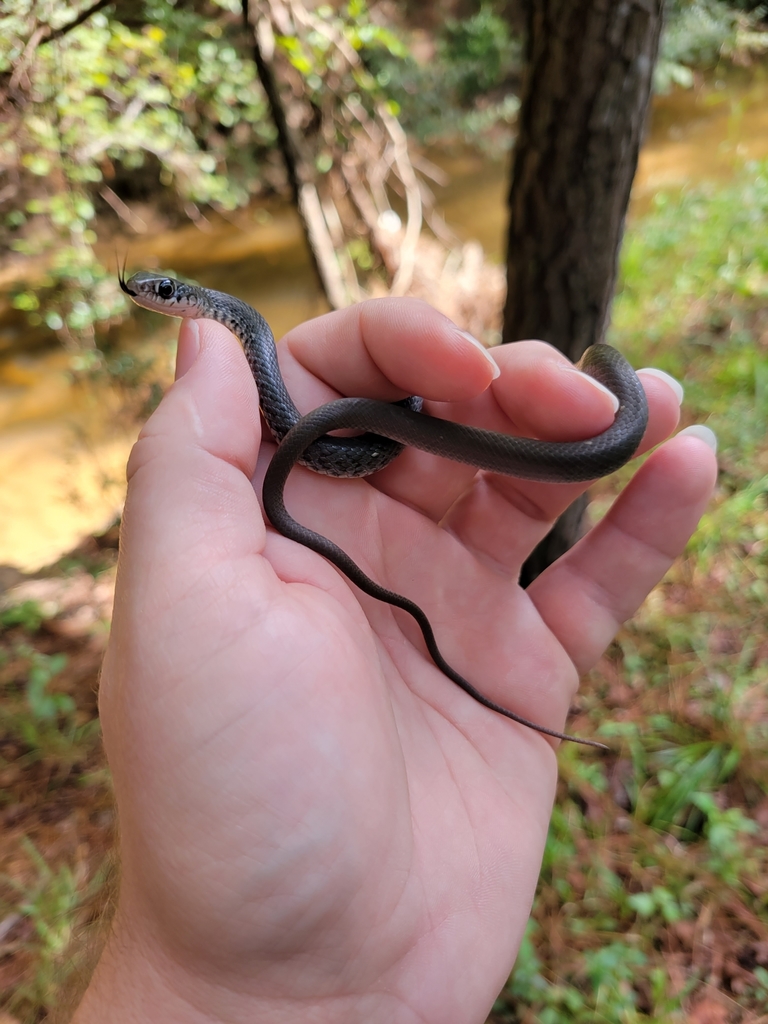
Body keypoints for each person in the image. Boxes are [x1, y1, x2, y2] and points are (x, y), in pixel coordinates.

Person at [72, 299, 717, 1024]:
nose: (151, 297)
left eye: (162, 292)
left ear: (197, 307)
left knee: (509, 389)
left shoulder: (271, 350)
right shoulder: (291, 383)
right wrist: (228, 987)